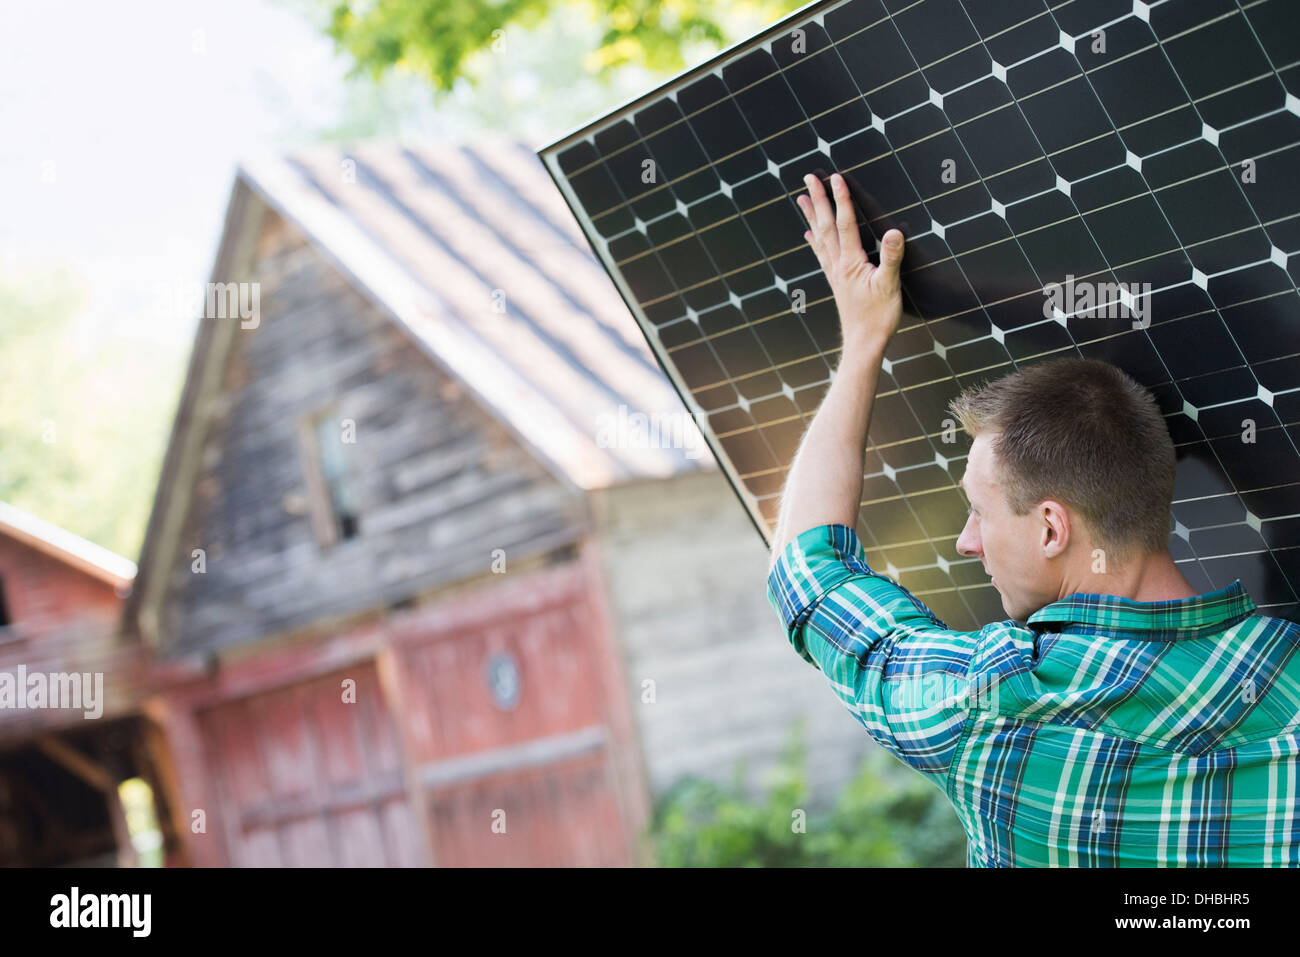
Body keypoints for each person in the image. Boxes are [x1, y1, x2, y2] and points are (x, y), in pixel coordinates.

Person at [766, 171, 1300, 867]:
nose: (965, 541)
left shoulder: (985, 707)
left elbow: (809, 573)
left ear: (1051, 527)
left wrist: (863, 339)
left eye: (978, 511)